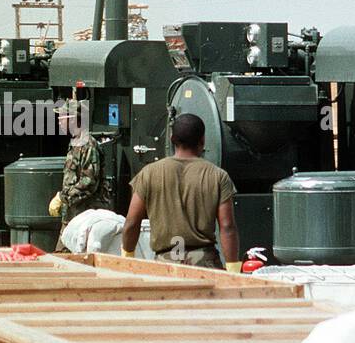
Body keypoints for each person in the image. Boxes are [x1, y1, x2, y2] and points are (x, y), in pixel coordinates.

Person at [121, 113, 239, 271]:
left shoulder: (148, 173)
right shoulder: (218, 176)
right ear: (202, 140)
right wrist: (233, 269)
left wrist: (127, 257)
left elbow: (131, 223)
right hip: (205, 264)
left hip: (165, 266)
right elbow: (227, 226)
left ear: (172, 139)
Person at [49, 101, 113, 248]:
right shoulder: (76, 143)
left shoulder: (87, 145)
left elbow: (89, 182)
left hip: (86, 216)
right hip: (74, 214)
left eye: (61, 117)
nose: (59, 121)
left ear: (72, 119)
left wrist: (62, 197)